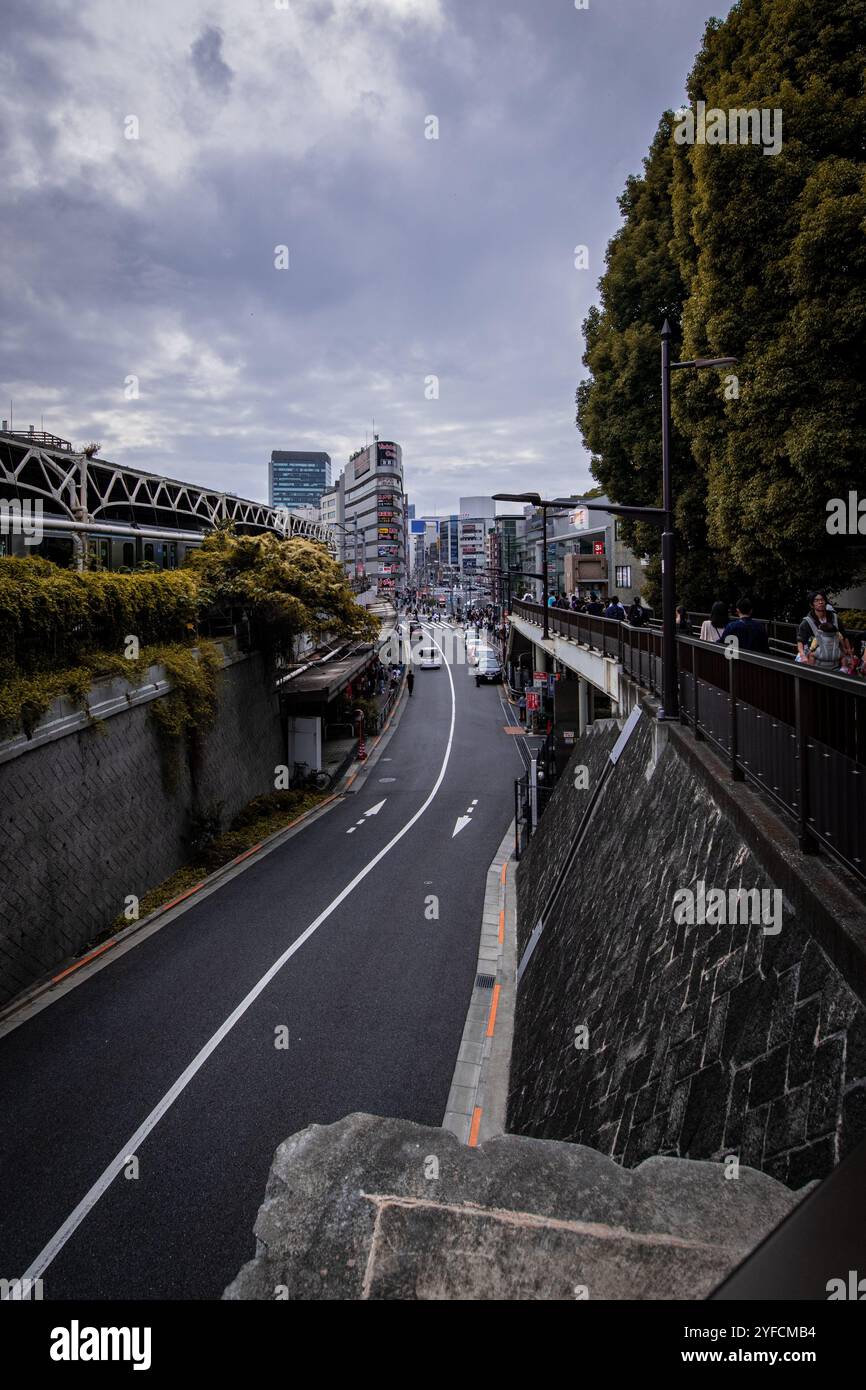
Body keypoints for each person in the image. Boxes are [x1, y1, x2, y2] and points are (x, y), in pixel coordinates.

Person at [797, 590, 851, 671]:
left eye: (822, 600)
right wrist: (802, 655)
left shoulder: (835, 618)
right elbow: (800, 640)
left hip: (835, 657)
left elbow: (844, 636)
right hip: (816, 659)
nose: (820, 602)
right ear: (811, 604)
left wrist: (849, 651)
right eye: (816, 600)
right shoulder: (807, 622)